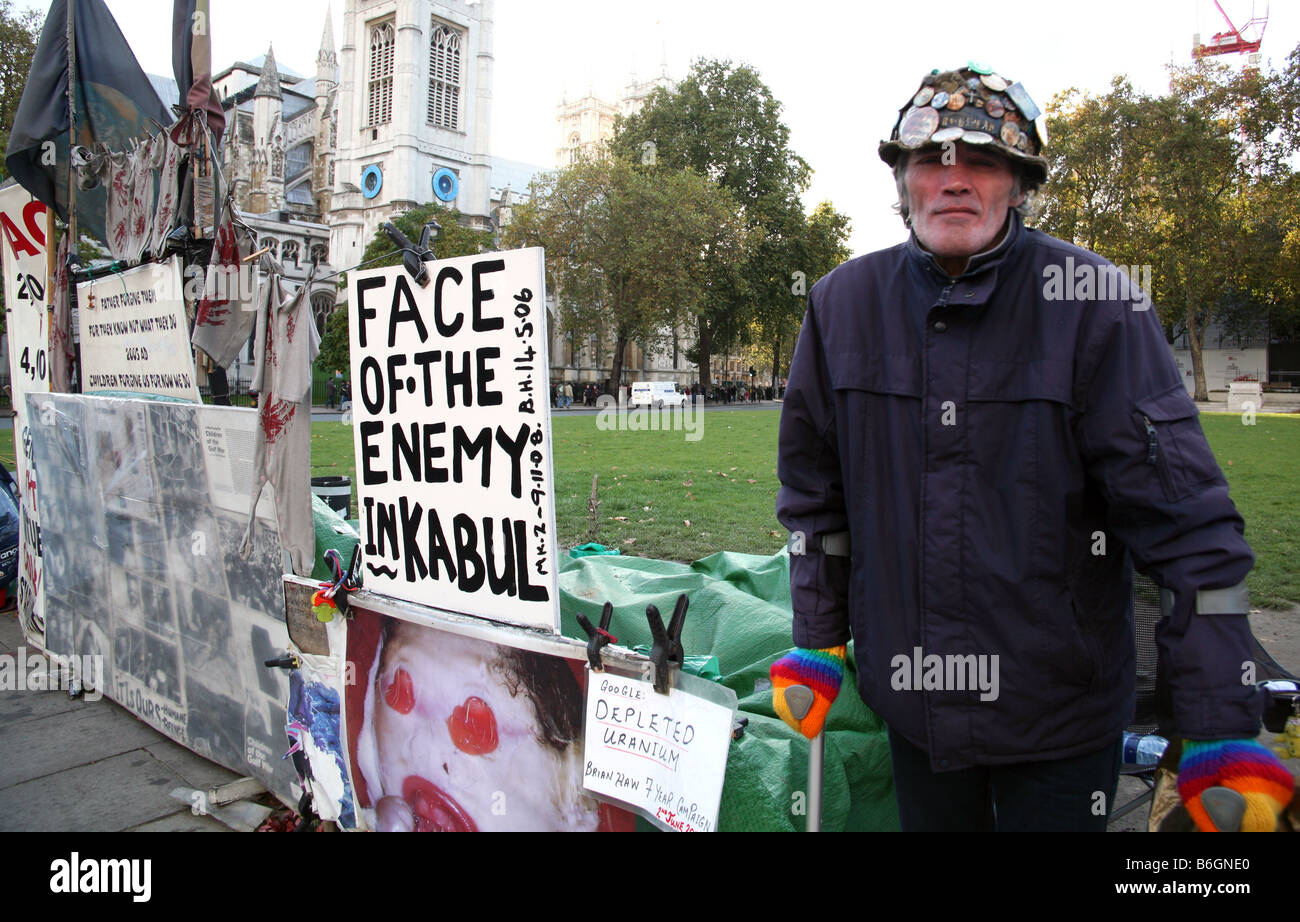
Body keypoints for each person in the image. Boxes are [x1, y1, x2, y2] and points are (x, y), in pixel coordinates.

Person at [771, 64, 1293, 832]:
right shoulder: (842, 305)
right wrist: (818, 643)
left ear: (1017, 185)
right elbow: (817, 500)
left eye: (981, 162)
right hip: (914, 708)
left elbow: (1186, 524)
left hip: (1060, 715)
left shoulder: (1095, 305)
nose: (955, 182)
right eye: (932, 161)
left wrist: (1219, 723)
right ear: (903, 180)